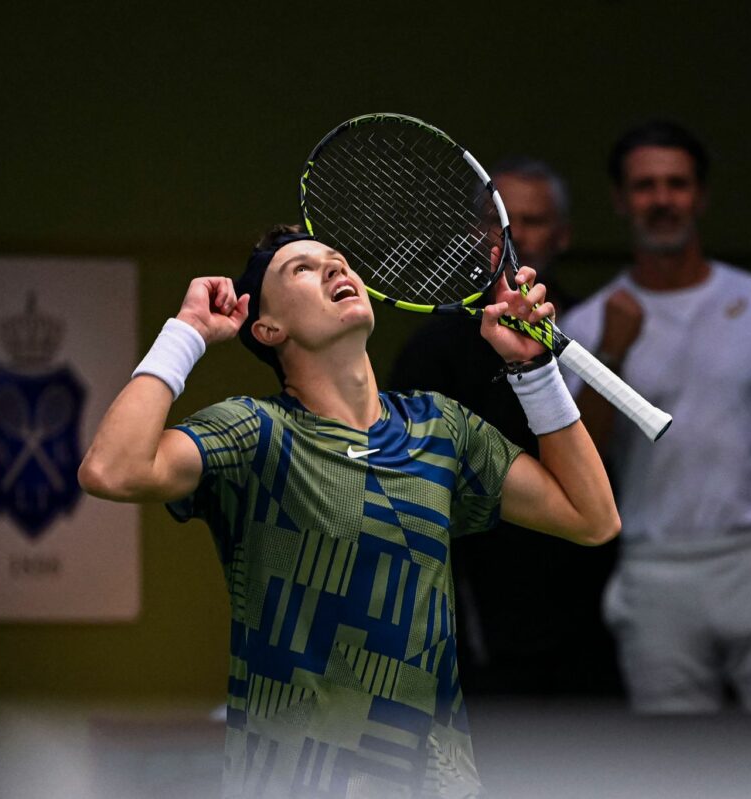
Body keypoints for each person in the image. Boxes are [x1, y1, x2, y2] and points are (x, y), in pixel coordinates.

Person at [78, 226, 619, 797]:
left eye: (338, 261)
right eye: (303, 270)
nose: (336, 270)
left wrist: (535, 371)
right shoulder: (255, 432)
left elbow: (591, 517)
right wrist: (185, 333)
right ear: (268, 328)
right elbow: (111, 470)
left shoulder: (439, 428)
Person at [558, 120, 751, 713]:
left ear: (701, 196)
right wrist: (612, 355)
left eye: (677, 184)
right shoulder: (589, 326)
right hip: (656, 567)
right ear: (621, 201)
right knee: (675, 771)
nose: (662, 200)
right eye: (645, 187)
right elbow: (579, 459)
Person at [390, 159, 619, 696]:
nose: (517, 235)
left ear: (562, 235)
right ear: (479, 234)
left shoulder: (591, 327)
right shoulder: (435, 345)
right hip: (483, 598)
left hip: (589, 586)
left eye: (534, 221)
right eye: (503, 220)